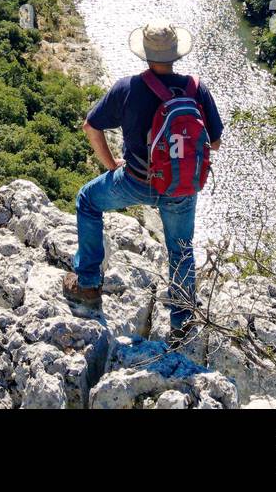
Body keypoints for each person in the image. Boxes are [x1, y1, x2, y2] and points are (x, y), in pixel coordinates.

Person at [63, 22, 223, 338]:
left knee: (88, 200)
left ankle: (89, 285)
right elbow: (214, 142)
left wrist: (111, 165)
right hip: (181, 188)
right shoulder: (196, 88)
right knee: (180, 248)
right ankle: (182, 320)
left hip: (135, 181)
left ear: (146, 55)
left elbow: (90, 126)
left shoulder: (128, 88)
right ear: (175, 55)